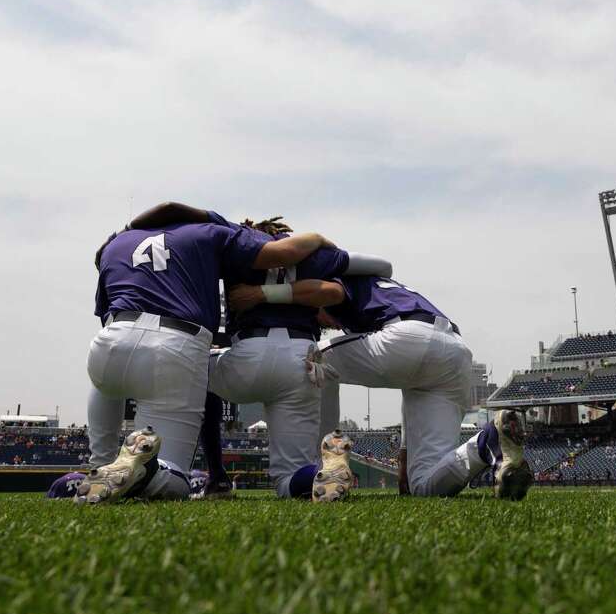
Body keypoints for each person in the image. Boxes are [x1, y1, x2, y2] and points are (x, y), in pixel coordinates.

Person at [78, 203, 333, 504]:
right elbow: (284, 254)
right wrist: (316, 237)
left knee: (105, 375)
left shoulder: (115, 244)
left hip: (110, 342)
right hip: (177, 346)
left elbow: (106, 314)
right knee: (173, 480)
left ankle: (100, 463)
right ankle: (154, 472)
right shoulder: (211, 231)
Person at [208, 216, 392, 500]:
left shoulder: (237, 250)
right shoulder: (312, 255)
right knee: (288, 478)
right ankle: (321, 473)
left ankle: (210, 477)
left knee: (189, 373)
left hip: (248, 351)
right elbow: (382, 267)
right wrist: (322, 244)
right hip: (302, 359)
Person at [305, 275, 532, 501]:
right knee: (423, 485)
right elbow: (409, 375)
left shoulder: (339, 280)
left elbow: (325, 283)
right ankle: (487, 442)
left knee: (313, 359)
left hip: (409, 333)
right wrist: (405, 451)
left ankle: (326, 464)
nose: (328, 326)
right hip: (454, 354)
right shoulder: (382, 286)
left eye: (320, 320)